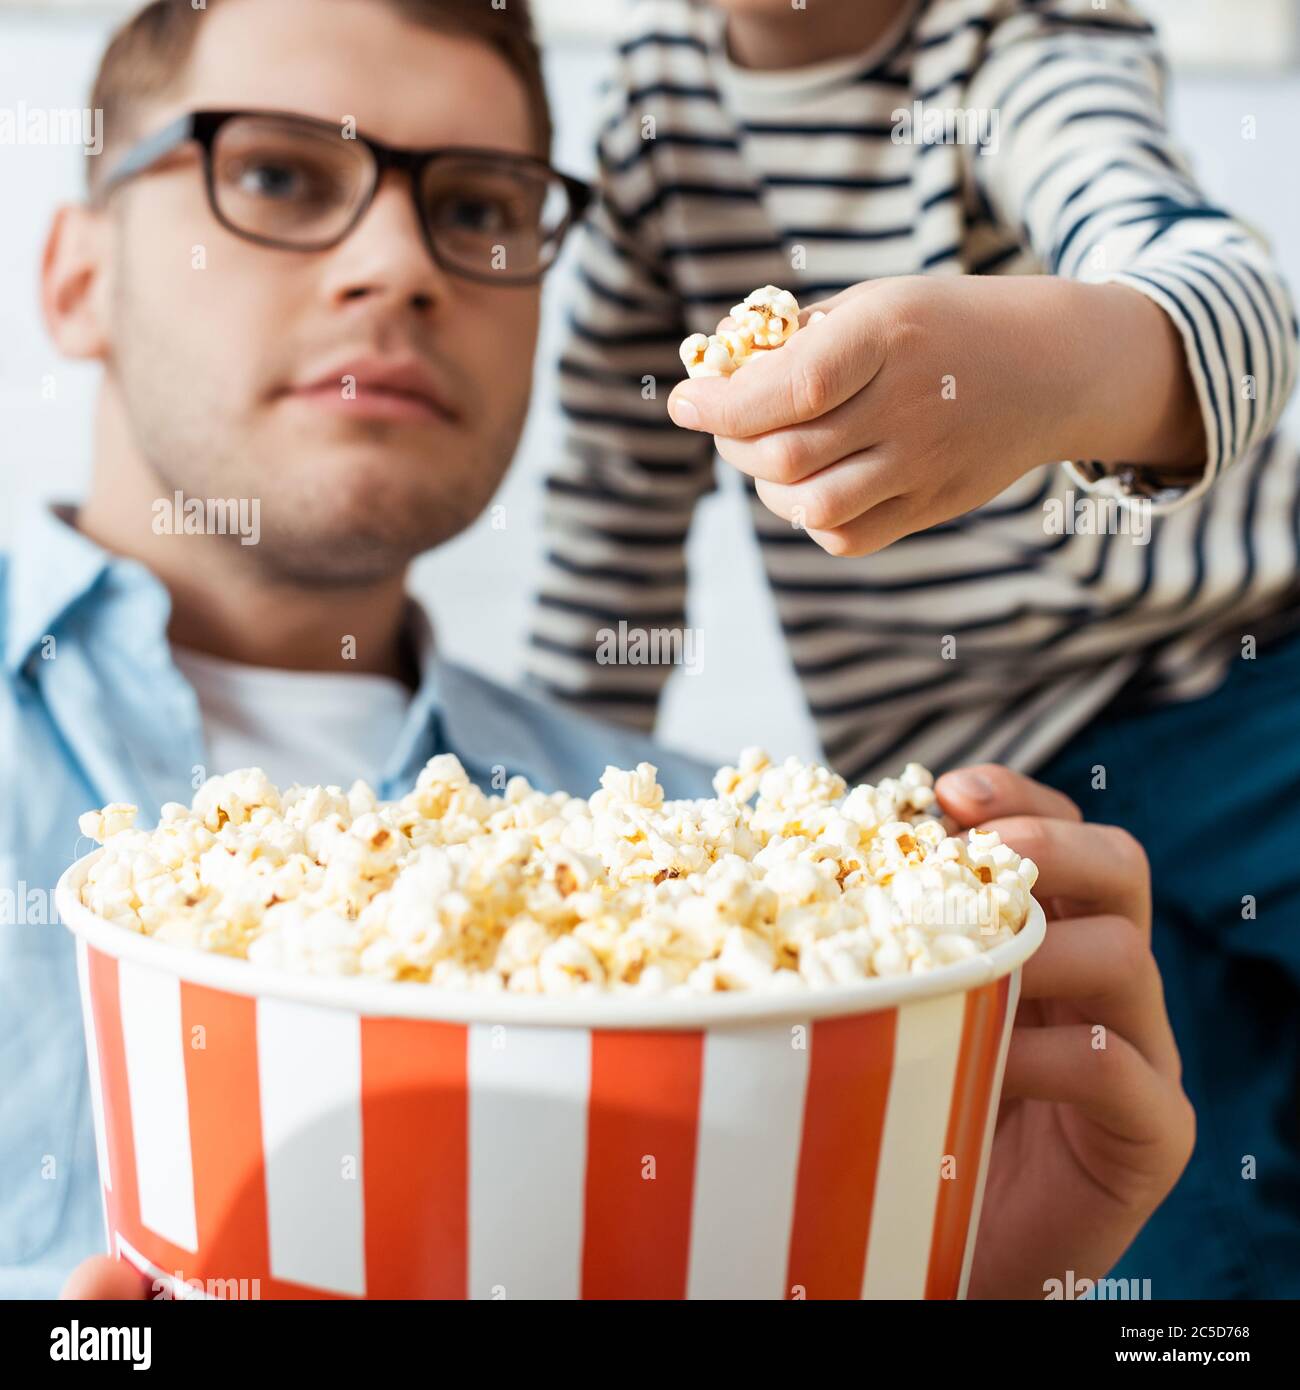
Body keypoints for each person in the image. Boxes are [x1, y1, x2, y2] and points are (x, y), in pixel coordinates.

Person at [0, 0, 1189, 1300]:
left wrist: (941, 1265)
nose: (399, 264)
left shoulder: (738, 895)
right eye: (278, 175)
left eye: (475, 209)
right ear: (74, 276)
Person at [524, 0, 1299, 1297]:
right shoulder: (657, 120)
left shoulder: (1011, 39)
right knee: (1170, 1232)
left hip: (1250, 687)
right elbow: (611, 515)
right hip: (993, 809)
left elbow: (1230, 302)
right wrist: (550, 843)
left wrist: (1052, 371)